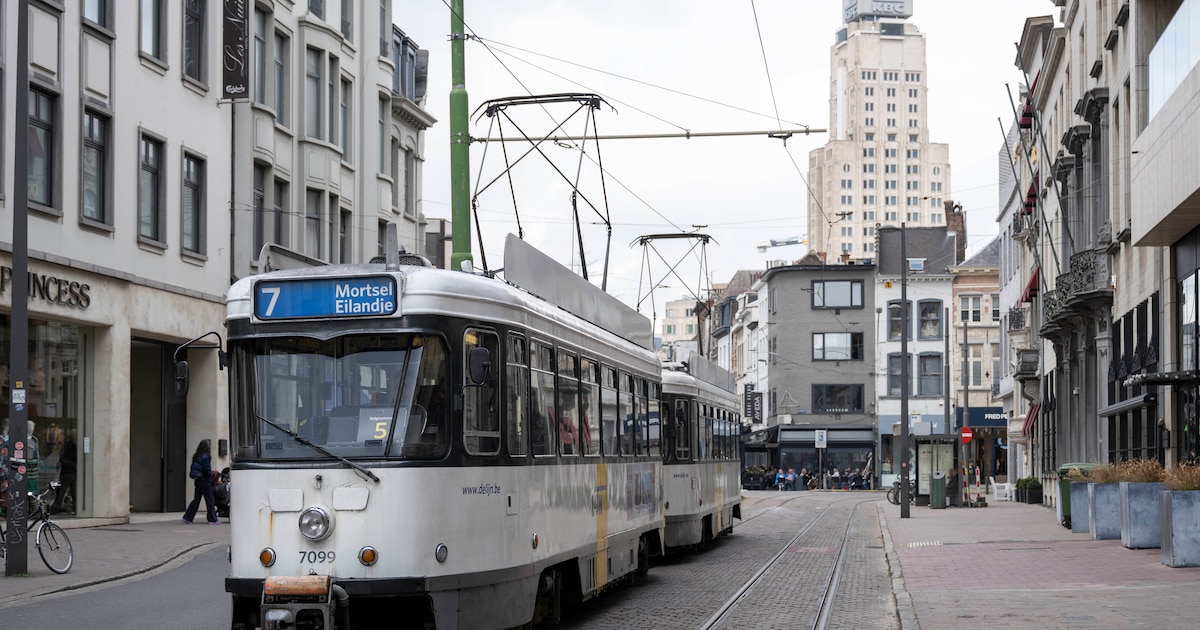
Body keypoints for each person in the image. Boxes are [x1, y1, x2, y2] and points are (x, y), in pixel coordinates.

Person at [183, 439, 221, 524]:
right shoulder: (205, 457)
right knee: (210, 499)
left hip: (197, 480)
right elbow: (206, 469)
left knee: (196, 499)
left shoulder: (196, 456)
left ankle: (188, 517)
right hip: (205, 480)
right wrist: (210, 477)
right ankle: (212, 519)